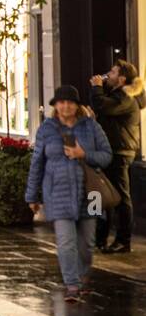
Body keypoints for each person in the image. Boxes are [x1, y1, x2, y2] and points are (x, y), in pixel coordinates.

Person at [26, 85, 115, 301]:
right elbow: (37, 163)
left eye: (70, 102)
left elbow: (107, 156)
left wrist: (84, 154)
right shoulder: (47, 129)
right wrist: (32, 196)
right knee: (66, 241)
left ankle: (83, 276)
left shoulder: (91, 127)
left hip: (91, 194)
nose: (66, 106)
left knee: (87, 243)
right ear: (55, 106)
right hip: (58, 192)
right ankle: (72, 285)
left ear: (77, 106)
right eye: (61, 102)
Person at [90, 61, 143, 253]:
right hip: (107, 151)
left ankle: (123, 240)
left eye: (112, 72)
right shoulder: (117, 96)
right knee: (98, 194)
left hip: (119, 152)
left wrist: (96, 88)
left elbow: (102, 106)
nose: (108, 75)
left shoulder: (125, 98)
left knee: (120, 197)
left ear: (121, 79)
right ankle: (97, 237)